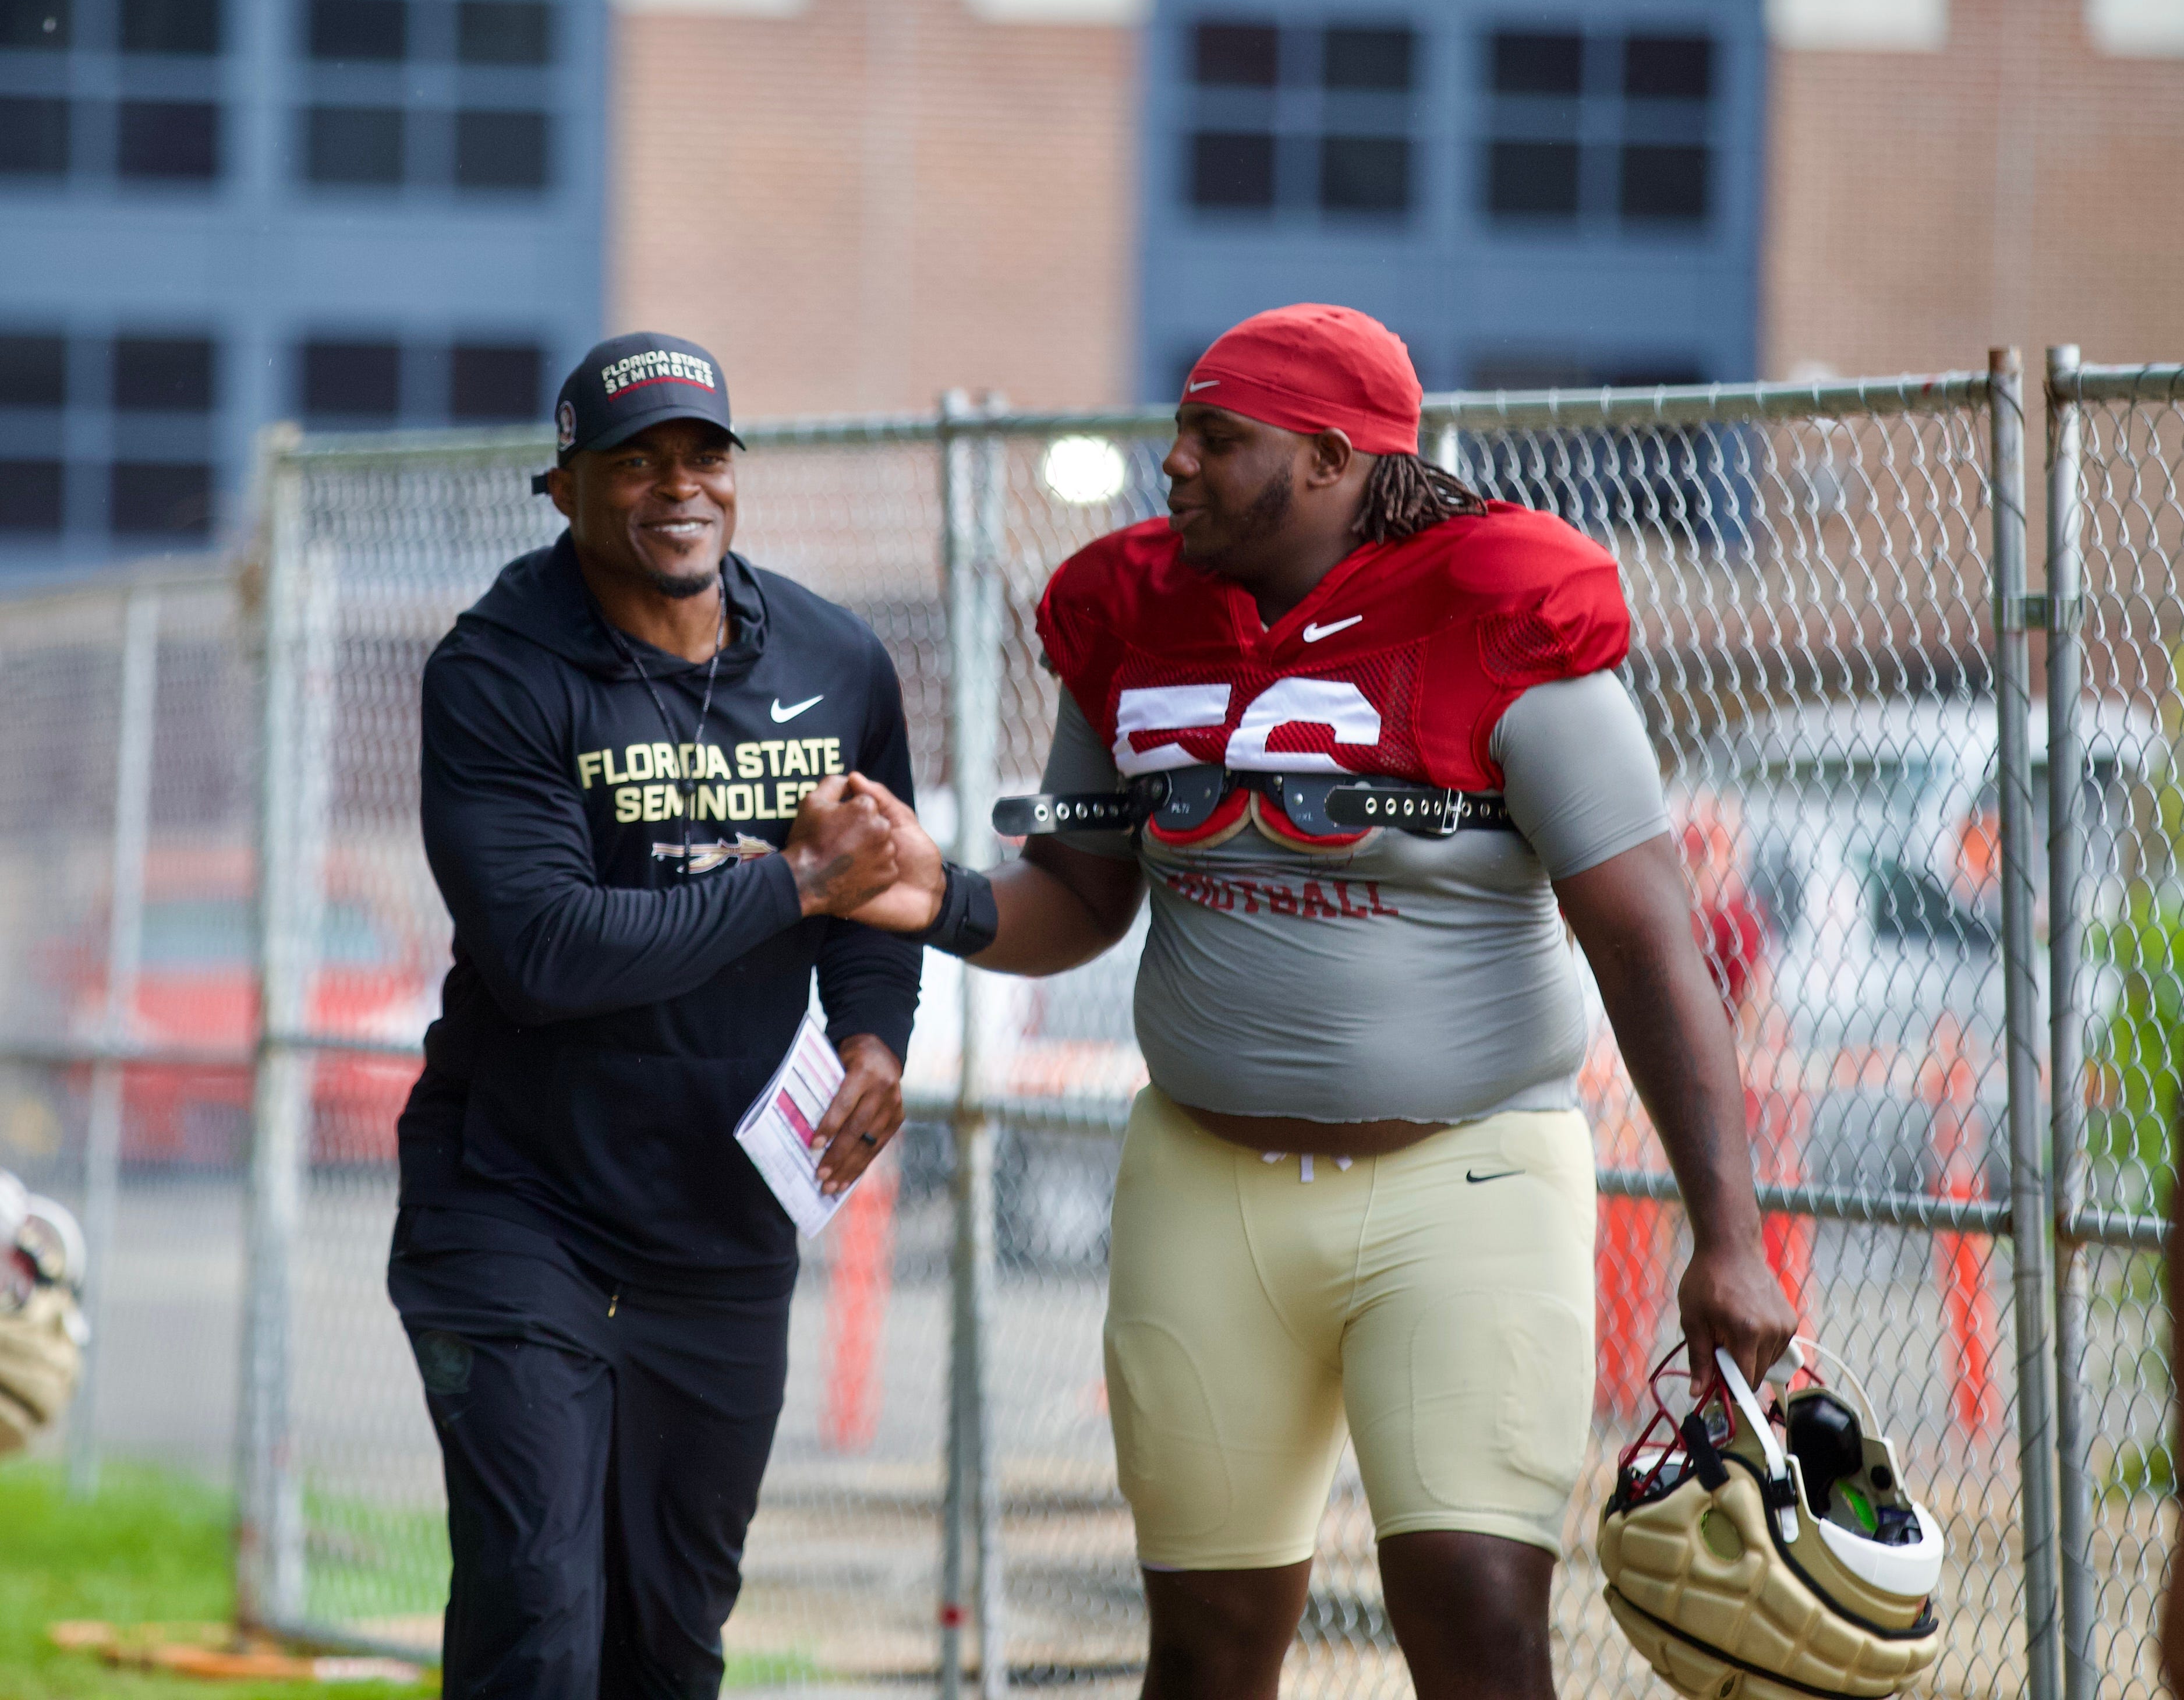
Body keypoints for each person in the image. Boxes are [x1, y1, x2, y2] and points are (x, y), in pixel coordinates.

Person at [851, 305, 1799, 1700]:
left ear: (1331, 458)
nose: (1171, 463)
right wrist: (933, 893)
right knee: (1208, 1650)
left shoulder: (1495, 603)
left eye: (1215, 438)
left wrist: (1731, 1232)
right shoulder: (1126, 610)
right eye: (1177, 427)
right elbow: (1081, 889)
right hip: (1204, 1181)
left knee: (1479, 1626)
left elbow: (1650, 941)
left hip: (1462, 1178)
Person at [387, 331, 923, 1698]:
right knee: (539, 1609)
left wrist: (872, 1039)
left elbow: (882, 899)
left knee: (670, 1640)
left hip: (722, 1212)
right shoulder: (498, 671)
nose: (677, 486)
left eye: (703, 455)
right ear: (562, 489)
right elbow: (548, 952)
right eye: (633, 462)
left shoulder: (835, 657)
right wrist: (790, 885)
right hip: (515, 1199)